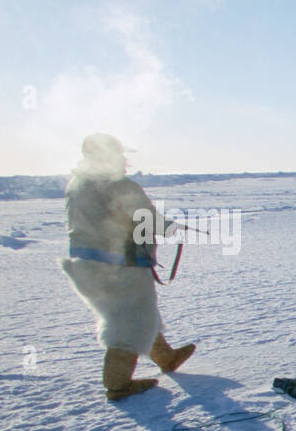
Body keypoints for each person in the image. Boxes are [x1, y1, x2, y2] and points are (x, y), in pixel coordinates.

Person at [60, 134, 195, 401]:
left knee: (137, 311)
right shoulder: (118, 185)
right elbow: (147, 220)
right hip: (121, 265)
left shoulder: (77, 183)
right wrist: (171, 228)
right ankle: (118, 384)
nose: (124, 159)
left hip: (86, 265)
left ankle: (167, 357)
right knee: (130, 321)